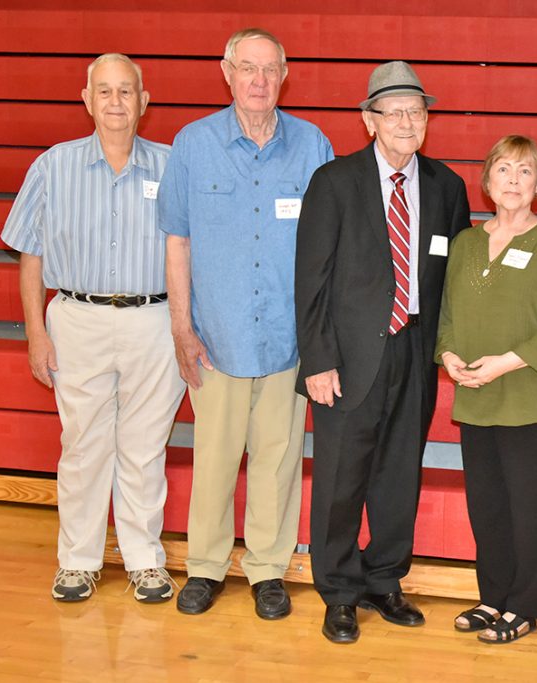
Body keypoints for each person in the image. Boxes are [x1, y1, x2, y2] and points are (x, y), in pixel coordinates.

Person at [157, 28, 334, 620]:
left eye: (270, 70)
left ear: (285, 77)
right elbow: (176, 242)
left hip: (287, 339)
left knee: (278, 460)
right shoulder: (192, 143)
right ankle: (205, 568)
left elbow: (331, 247)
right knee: (213, 460)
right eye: (247, 68)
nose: (259, 81)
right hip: (217, 339)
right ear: (226, 72)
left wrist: (320, 338)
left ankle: (266, 570)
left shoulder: (313, 146)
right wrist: (182, 327)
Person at [295, 60, 470, 644]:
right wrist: (317, 360)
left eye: (416, 112)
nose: (406, 122)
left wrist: (448, 351)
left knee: (399, 477)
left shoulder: (448, 187)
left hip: (415, 353)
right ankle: (339, 591)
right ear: (369, 120)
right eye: (392, 112)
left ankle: (384, 578)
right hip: (345, 361)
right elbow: (311, 280)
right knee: (341, 481)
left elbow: (457, 281)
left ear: (426, 120)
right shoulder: (333, 182)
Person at [1, 53, 186, 604]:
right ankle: (78, 562)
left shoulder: (173, 166)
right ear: (86, 100)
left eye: (126, 92)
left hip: (153, 321)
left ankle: (144, 561)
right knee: (82, 446)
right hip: (76, 319)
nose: (115, 102)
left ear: (144, 102)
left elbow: (191, 249)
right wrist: (36, 332)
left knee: (145, 447)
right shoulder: (51, 166)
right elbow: (29, 254)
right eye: (103, 91)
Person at [435, 135, 537, 644]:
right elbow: (446, 313)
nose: (513, 181)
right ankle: (493, 596)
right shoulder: (466, 243)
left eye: (524, 172)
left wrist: (502, 365)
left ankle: (524, 604)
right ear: (487, 180)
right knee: (489, 507)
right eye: (504, 170)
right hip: (476, 397)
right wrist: (449, 356)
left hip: (532, 401)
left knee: (530, 509)